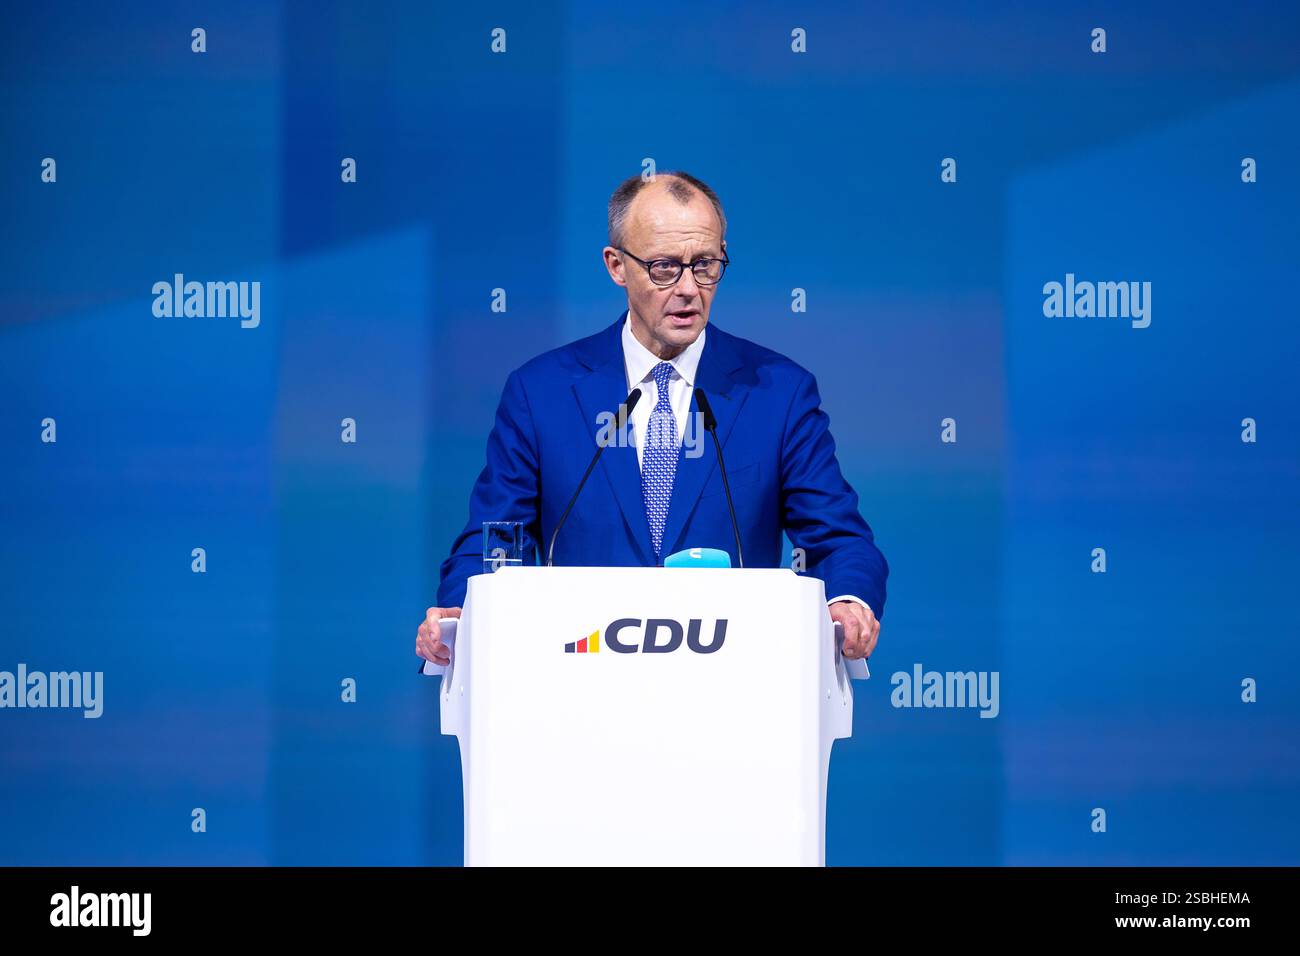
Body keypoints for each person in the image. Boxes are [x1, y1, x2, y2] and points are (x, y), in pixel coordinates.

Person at [416, 171, 887, 667]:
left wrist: (848, 602)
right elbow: (494, 540)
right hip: (577, 683)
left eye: (704, 265)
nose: (688, 289)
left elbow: (839, 541)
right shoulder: (542, 392)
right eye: (664, 267)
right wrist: (460, 613)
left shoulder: (778, 391)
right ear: (617, 266)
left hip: (732, 685)